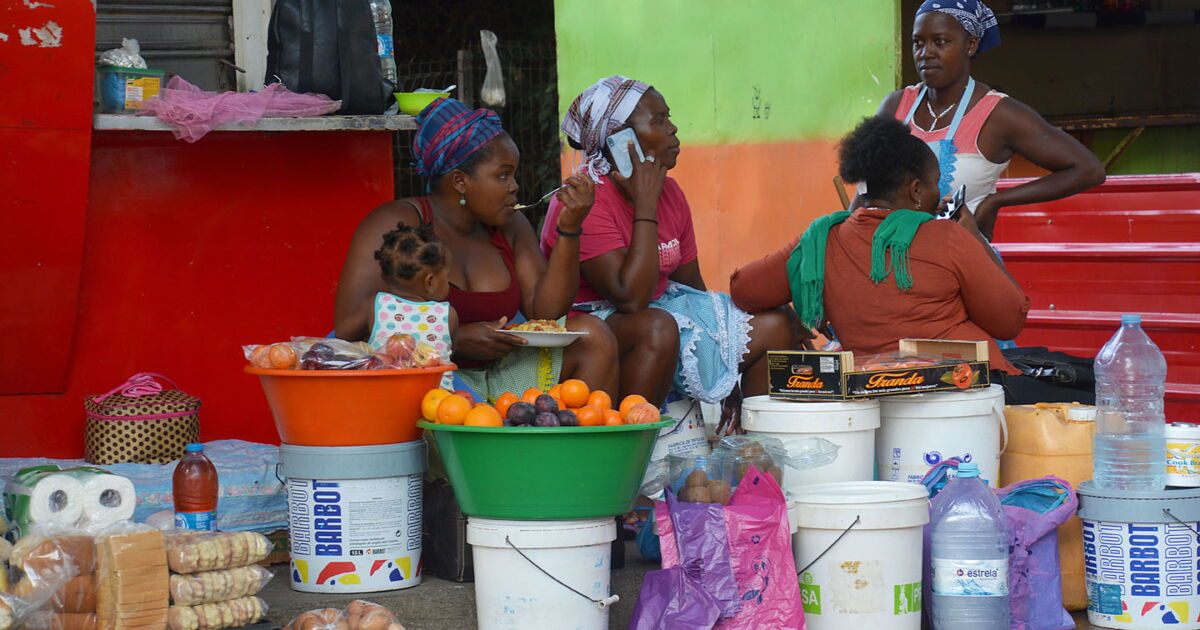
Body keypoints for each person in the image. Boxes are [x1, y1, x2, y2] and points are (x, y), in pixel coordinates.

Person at [731, 117, 1088, 405]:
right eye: (935, 184)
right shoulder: (946, 236)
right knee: (1091, 390)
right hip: (964, 393)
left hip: (875, 393)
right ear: (917, 191)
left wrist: (793, 312)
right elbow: (1010, 321)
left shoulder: (821, 238)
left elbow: (744, 289)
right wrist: (974, 237)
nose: (940, 195)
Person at [541, 76, 801, 412]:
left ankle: (748, 445)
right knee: (658, 327)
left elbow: (691, 286)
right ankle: (634, 445)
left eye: (669, 117)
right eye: (659, 121)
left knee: (778, 324)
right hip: (604, 324)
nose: (674, 129)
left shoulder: (671, 191)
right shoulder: (586, 199)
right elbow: (631, 298)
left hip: (665, 309)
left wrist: (727, 368)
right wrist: (645, 206)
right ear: (622, 139)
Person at [334, 97, 618, 400]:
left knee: (593, 337)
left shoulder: (511, 223)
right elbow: (350, 330)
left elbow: (545, 311)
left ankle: (578, 443)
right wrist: (453, 338)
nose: (514, 187)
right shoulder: (396, 223)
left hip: (499, 373)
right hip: (425, 376)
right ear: (460, 181)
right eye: (503, 175)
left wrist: (569, 228)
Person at [857, 0, 1104, 240]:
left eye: (940, 42)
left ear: (971, 45)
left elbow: (1088, 169)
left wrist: (995, 201)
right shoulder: (896, 107)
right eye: (918, 42)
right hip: (891, 259)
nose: (926, 53)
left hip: (960, 263)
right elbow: (865, 193)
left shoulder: (998, 114)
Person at [340, 222, 456, 388]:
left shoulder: (375, 305)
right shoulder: (448, 314)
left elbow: (342, 334)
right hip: (436, 400)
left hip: (386, 394)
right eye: (447, 277)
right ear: (430, 282)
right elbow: (449, 352)